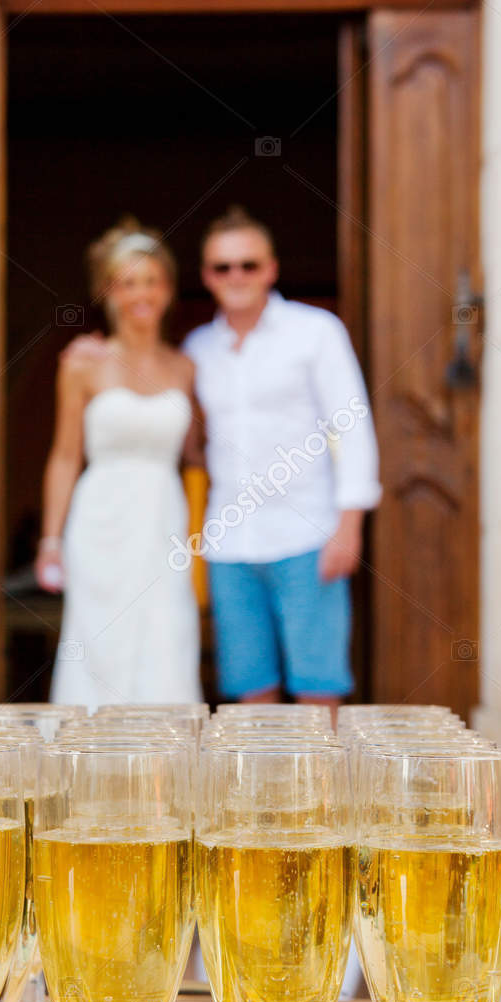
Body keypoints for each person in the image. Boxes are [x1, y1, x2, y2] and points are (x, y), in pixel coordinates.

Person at [181, 206, 381, 708]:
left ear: (271, 268)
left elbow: (350, 425)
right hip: (230, 543)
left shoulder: (316, 332)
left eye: (249, 264)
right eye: (223, 267)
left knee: (319, 689)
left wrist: (350, 523)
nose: (237, 276)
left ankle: (320, 792)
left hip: (307, 534)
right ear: (207, 275)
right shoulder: (197, 348)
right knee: (251, 695)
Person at [36, 218, 202, 707]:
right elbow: (65, 456)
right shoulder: (82, 363)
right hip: (102, 519)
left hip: (164, 518)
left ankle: (165, 771)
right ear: (109, 291)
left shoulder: (184, 366)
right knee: (99, 637)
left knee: (167, 629)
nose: (141, 294)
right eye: (128, 283)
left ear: (168, 289)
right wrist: (50, 540)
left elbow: (196, 455)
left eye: (151, 281)